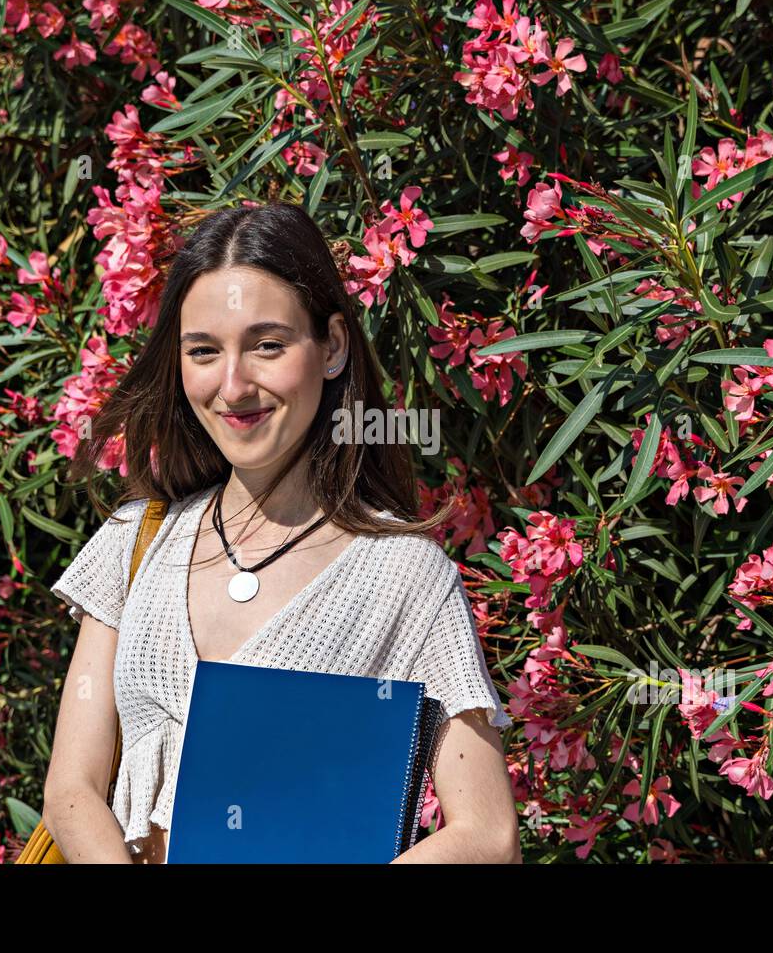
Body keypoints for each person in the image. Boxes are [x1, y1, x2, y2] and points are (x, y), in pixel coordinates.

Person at [42, 201, 519, 863]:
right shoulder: (136, 541)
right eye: (203, 351)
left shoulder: (406, 575)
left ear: (332, 348)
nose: (234, 385)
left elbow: (488, 836)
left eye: (267, 345)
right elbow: (72, 789)